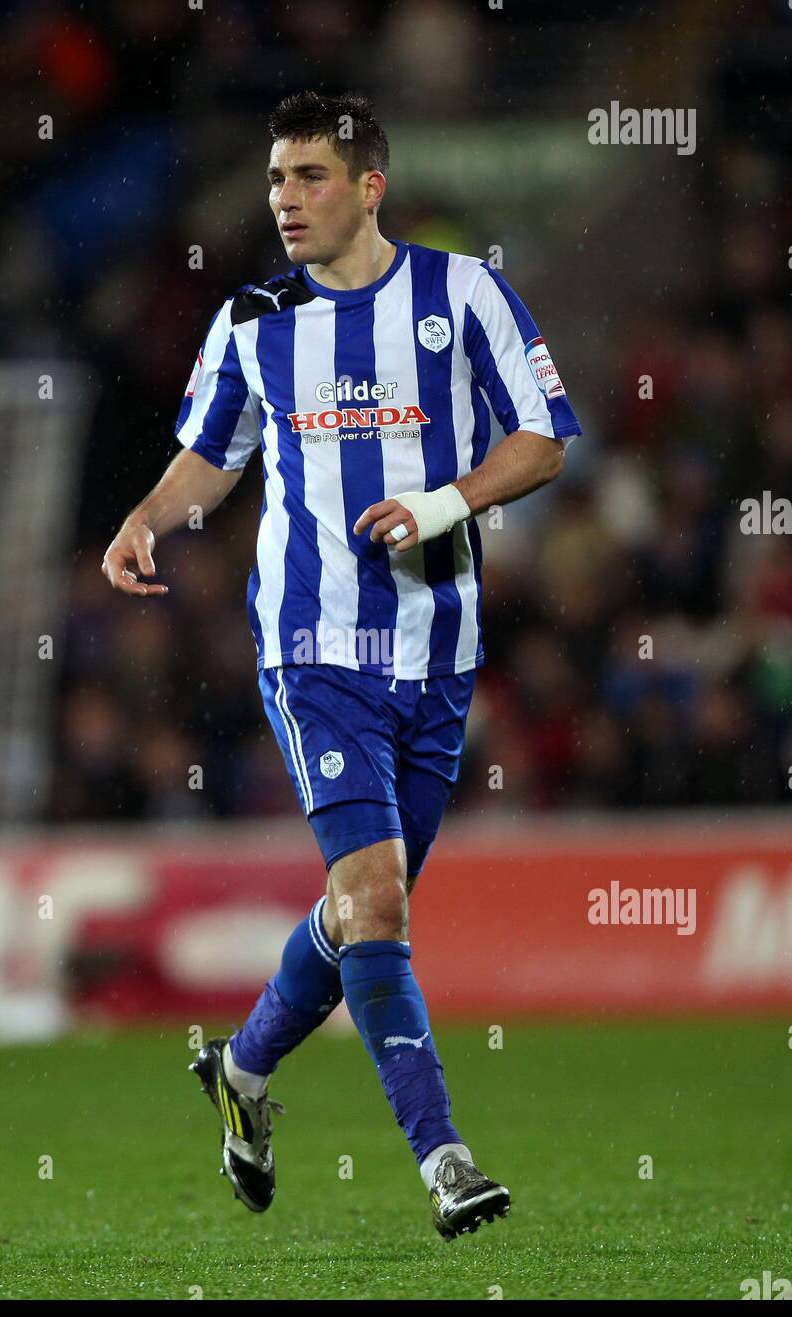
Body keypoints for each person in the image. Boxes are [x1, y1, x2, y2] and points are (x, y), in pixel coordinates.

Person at [102, 90, 581, 1239]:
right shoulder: (253, 317)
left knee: (360, 907)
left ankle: (244, 1070)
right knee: (375, 900)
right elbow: (207, 459)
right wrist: (145, 519)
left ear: (369, 185)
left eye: (307, 177)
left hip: (439, 649)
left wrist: (442, 499)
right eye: (274, 179)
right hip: (313, 649)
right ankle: (444, 1158)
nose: (283, 200)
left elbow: (543, 436)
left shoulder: (459, 293)